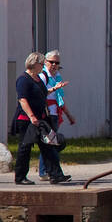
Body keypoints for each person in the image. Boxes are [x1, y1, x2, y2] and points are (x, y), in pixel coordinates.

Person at [12, 52, 70, 185]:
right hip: (27, 120)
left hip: (40, 119)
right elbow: (22, 99)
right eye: (41, 64)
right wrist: (31, 116)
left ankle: (56, 175)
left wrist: (55, 88)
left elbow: (43, 93)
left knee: (48, 145)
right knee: (25, 148)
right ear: (34, 64)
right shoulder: (23, 79)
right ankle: (20, 177)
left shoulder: (37, 79)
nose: (43, 67)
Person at [37, 49, 75, 180]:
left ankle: (46, 171)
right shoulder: (43, 76)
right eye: (51, 62)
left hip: (54, 114)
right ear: (45, 62)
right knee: (51, 143)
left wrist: (68, 115)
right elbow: (41, 93)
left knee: (50, 144)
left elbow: (60, 99)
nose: (54, 65)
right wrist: (54, 88)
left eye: (56, 62)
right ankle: (49, 172)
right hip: (46, 114)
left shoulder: (57, 77)